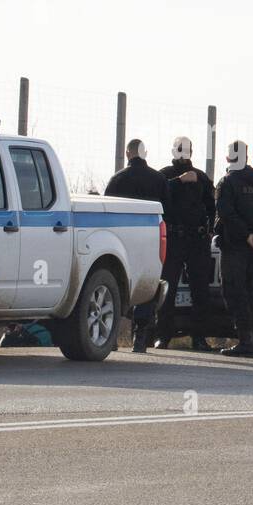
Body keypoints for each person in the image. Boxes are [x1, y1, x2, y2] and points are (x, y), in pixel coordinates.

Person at [104, 138, 170, 353]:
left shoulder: (118, 178)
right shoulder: (159, 179)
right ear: (145, 153)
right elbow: (167, 211)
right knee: (147, 286)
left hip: (122, 240)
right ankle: (140, 337)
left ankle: (110, 337)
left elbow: (107, 211)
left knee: (117, 285)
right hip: (151, 238)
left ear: (127, 153)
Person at [214, 140, 253, 358]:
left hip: (235, 247)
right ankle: (249, 339)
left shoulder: (228, 182)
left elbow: (226, 214)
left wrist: (247, 236)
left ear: (229, 157)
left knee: (233, 291)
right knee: (248, 292)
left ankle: (245, 341)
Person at [154, 136, 216, 352]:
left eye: (186, 149)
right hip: (174, 239)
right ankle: (164, 335)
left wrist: (209, 231)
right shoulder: (164, 175)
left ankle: (199, 338)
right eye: (179, 149)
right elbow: (157, 196)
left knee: (200, 290)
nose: (183, 152)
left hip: (197, 241)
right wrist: (179, 180)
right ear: (173, 151)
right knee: (167, 288)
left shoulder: (201, 177)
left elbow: (212, 206)